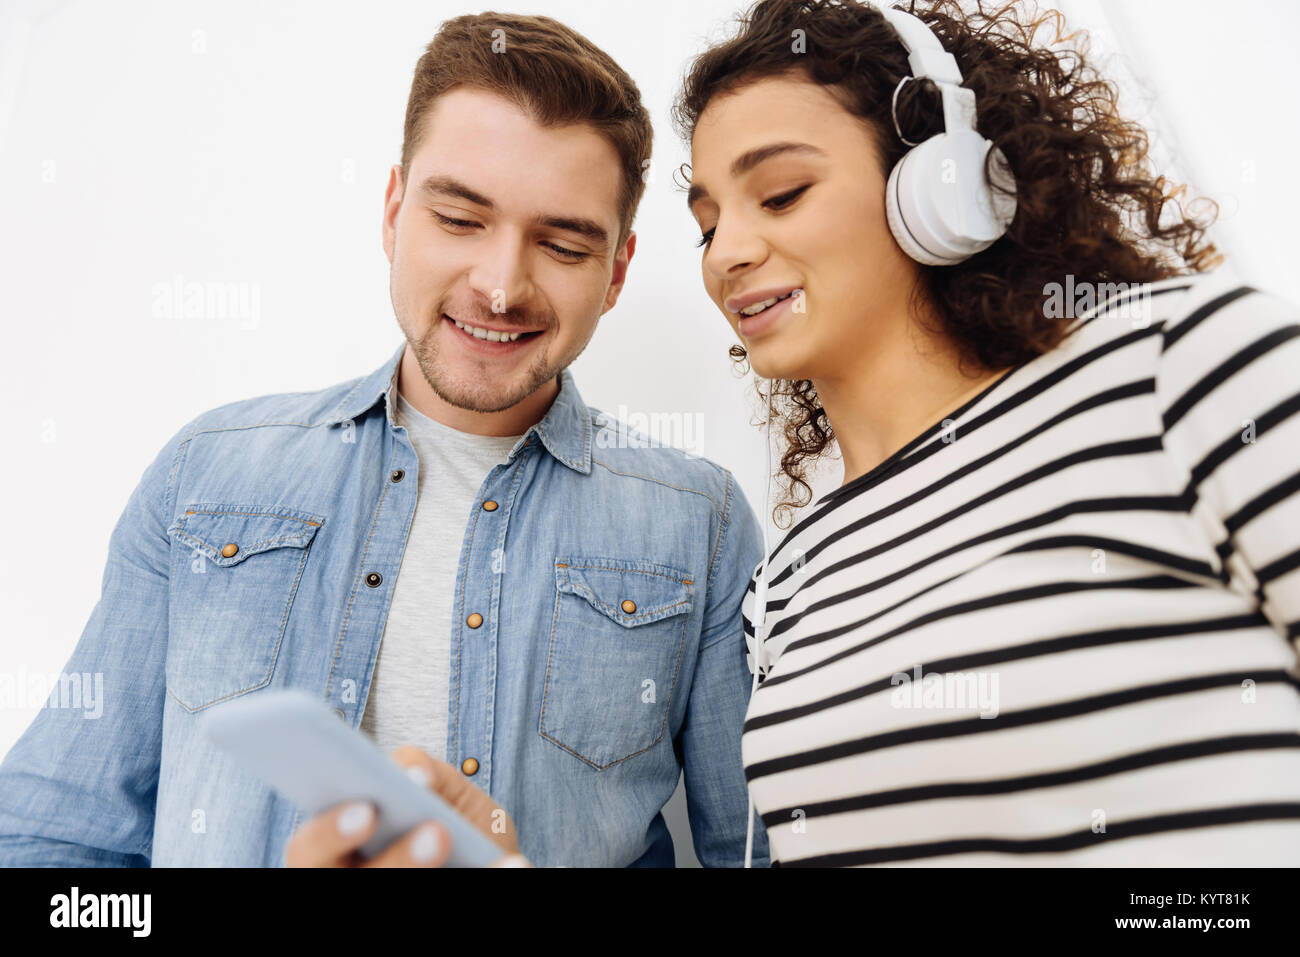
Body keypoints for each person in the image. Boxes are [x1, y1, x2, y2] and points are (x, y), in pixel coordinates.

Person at [0, 12, 769, 869]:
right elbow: (48, 847)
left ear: (616, 272)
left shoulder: (701, 525)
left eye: (560, 243)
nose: (502, 286)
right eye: (460, 219)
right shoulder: (203, 476)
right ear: (395, 210)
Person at [675, 0, 1300, 865]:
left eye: (780, 194)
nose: (724, 254)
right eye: (707, 223)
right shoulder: (786, 585)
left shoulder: (1184, 372)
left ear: (939, 182)